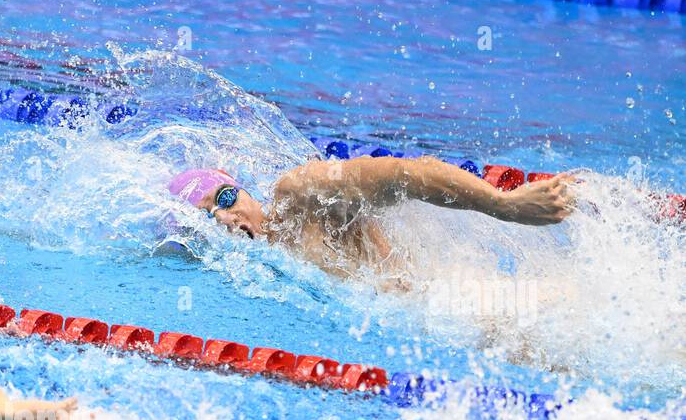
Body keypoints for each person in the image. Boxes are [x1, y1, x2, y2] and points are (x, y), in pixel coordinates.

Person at [167, 159, 576, 283]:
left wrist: (502, 204)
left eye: (224, 198)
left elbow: (407, 175)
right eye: (209, 218)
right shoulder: (255, 277)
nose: (226, 218)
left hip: (472, 310)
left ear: (241, 188)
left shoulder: (300, 196)